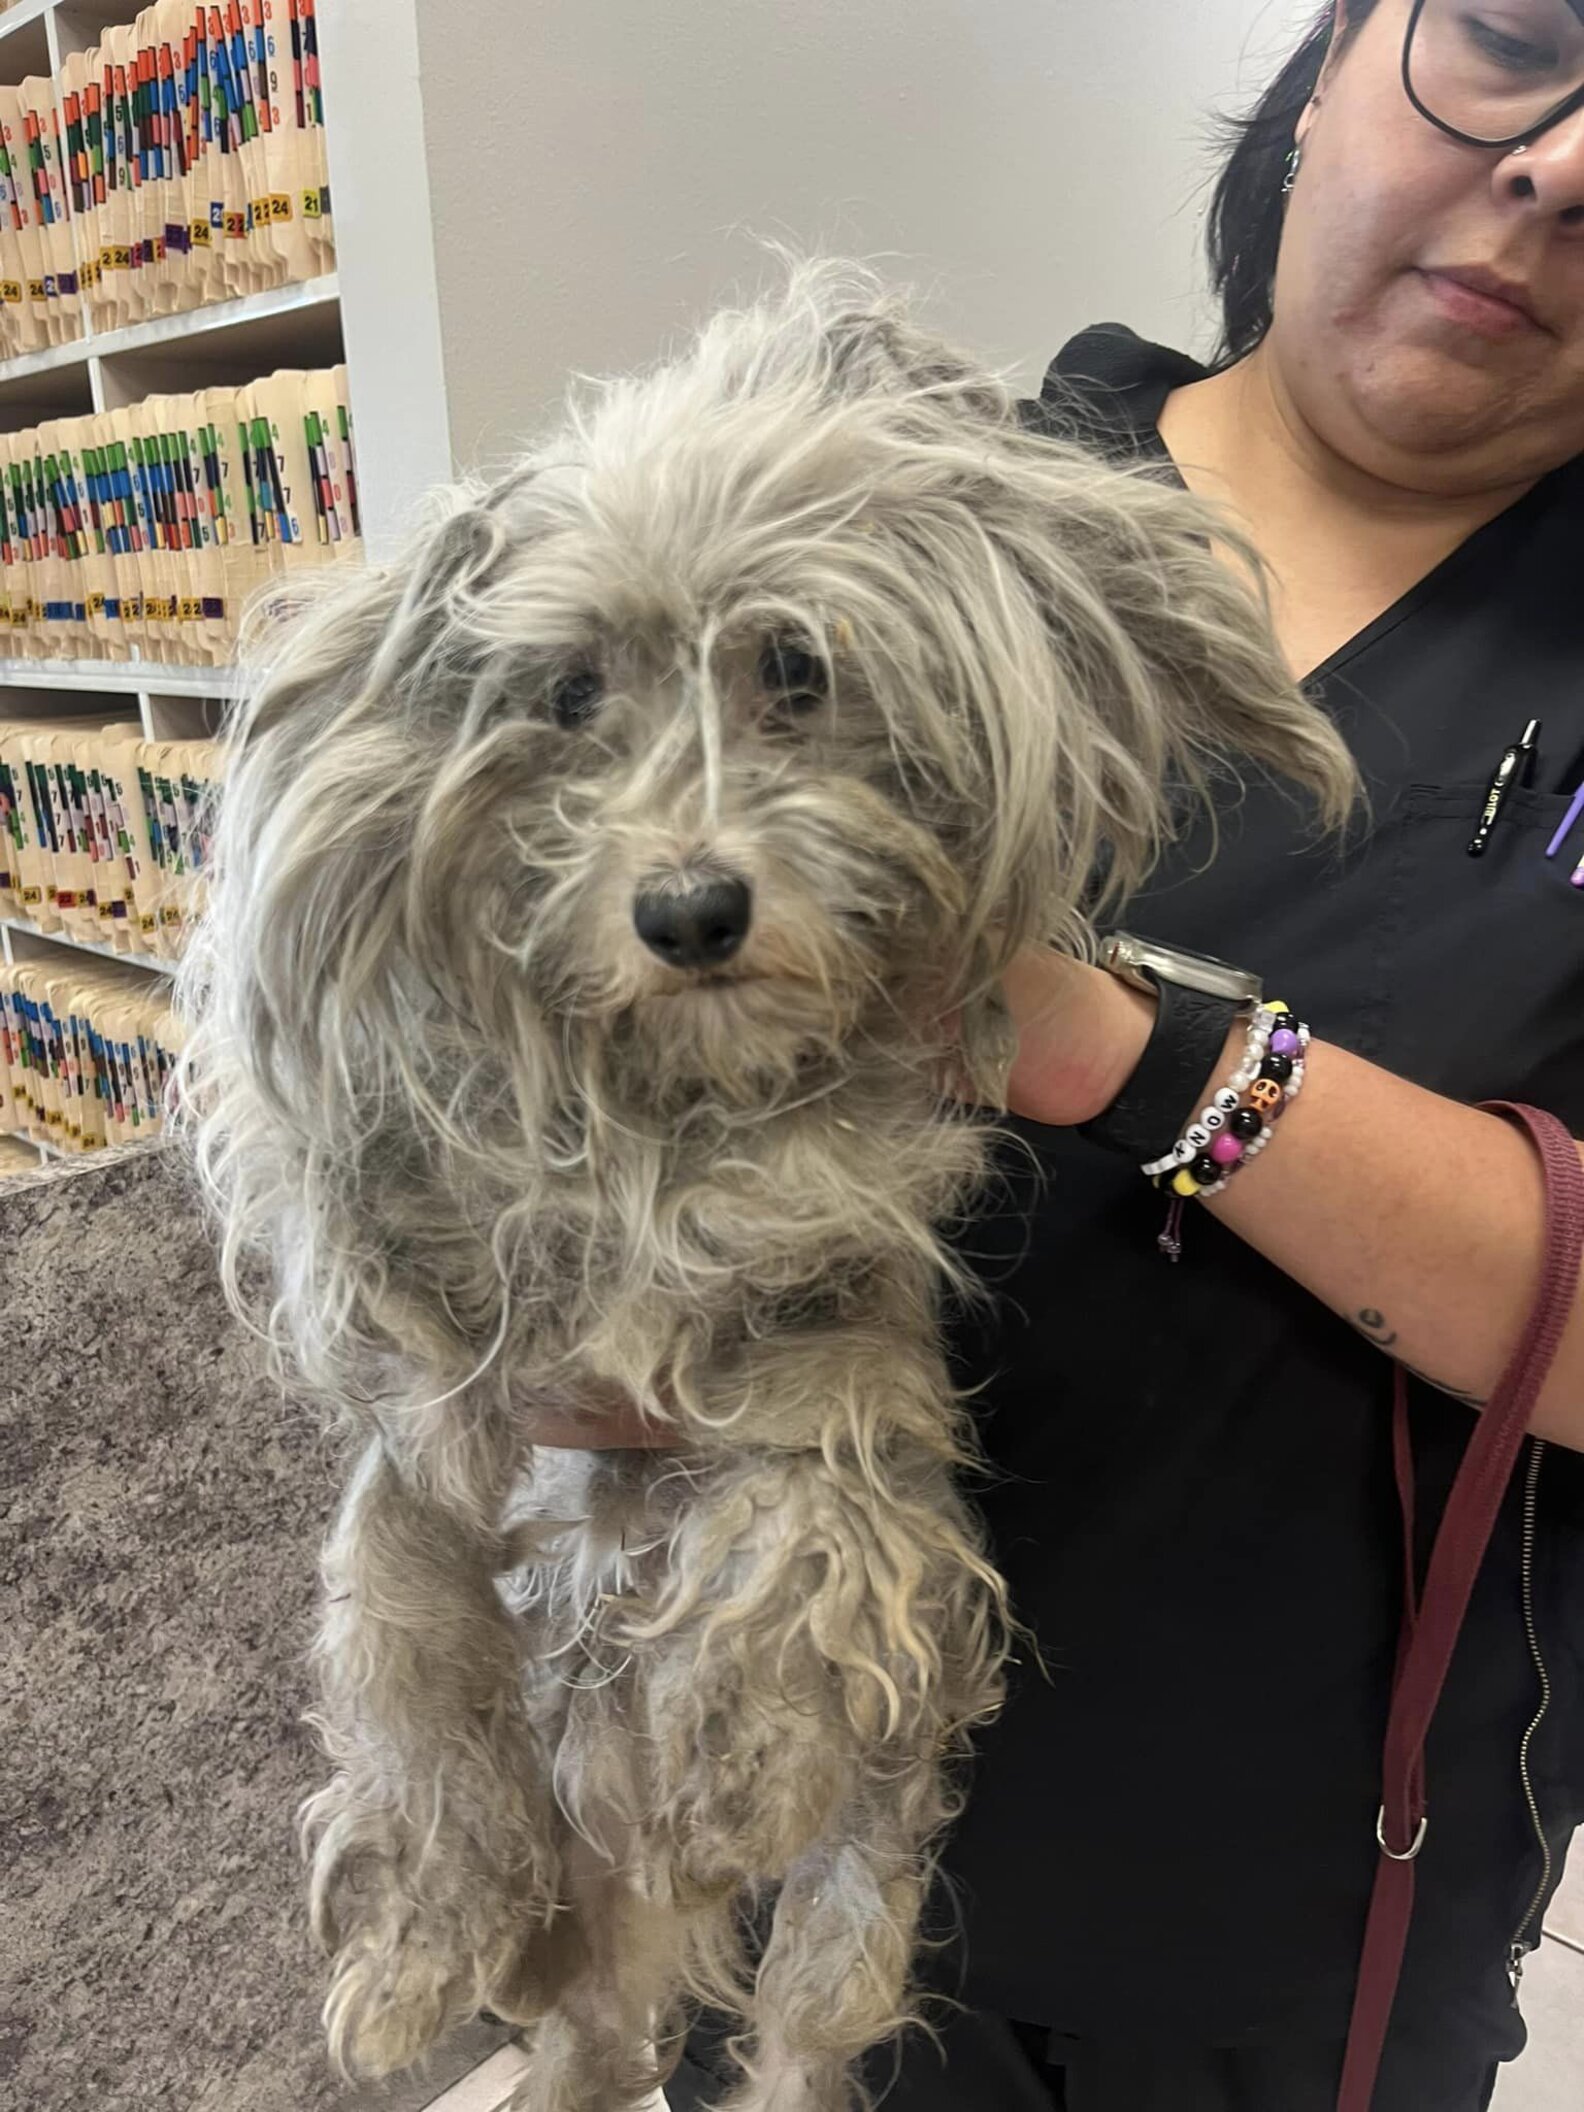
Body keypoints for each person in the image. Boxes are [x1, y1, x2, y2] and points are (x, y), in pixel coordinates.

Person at [584, 3, 1584, 2105]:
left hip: (1298, 1940)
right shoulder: (889, 536)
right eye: (1513, 37)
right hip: (772, 1833)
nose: (1564, 162)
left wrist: (1121, 1049)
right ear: (1328, 66)